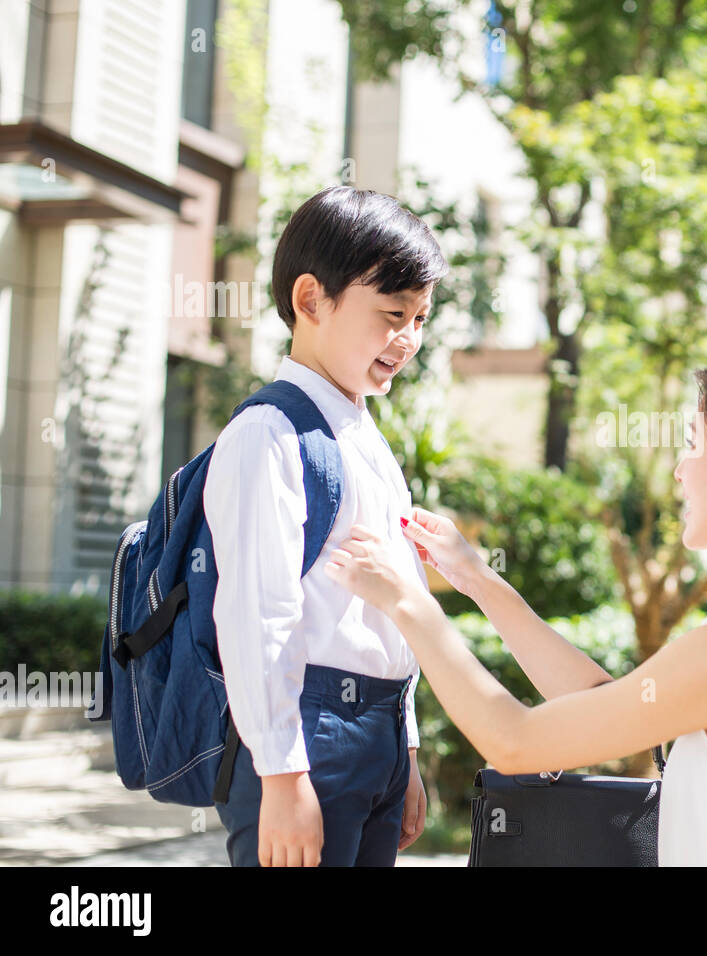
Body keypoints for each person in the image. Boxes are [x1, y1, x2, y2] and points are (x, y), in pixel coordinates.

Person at [323, 344, 707, 866]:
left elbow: (515, 741)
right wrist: (481, 581)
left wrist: (409, 604)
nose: (677, 470)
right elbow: (603, 706)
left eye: (694, 444)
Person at [204, 185, 449, 866]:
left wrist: (403, 750)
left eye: (421, 319)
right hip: (308, 736)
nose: (409, 340)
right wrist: (281, 776)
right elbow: (258, 616)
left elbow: (386, 613)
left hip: (372, 733)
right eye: (392, 314)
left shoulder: (365, 435)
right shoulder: (269, 433)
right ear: (312, 301)